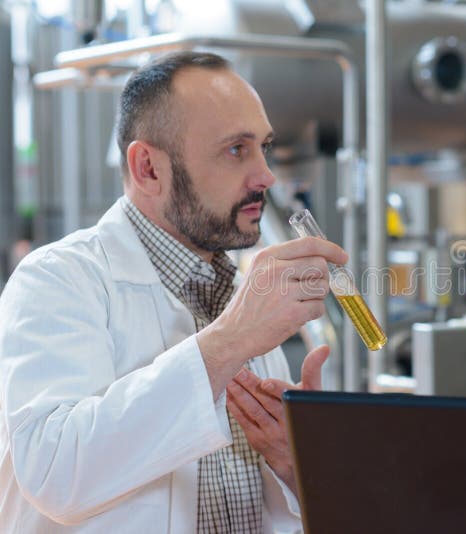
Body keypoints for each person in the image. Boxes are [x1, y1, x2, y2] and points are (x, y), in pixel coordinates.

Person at [0, 51, 346, 532]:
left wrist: (293, 466)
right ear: (148, 169)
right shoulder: (57, 280)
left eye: (264, 147)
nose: (266, 175)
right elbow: (55, 473)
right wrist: (229, 342)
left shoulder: (238, 298)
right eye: (235, 150)